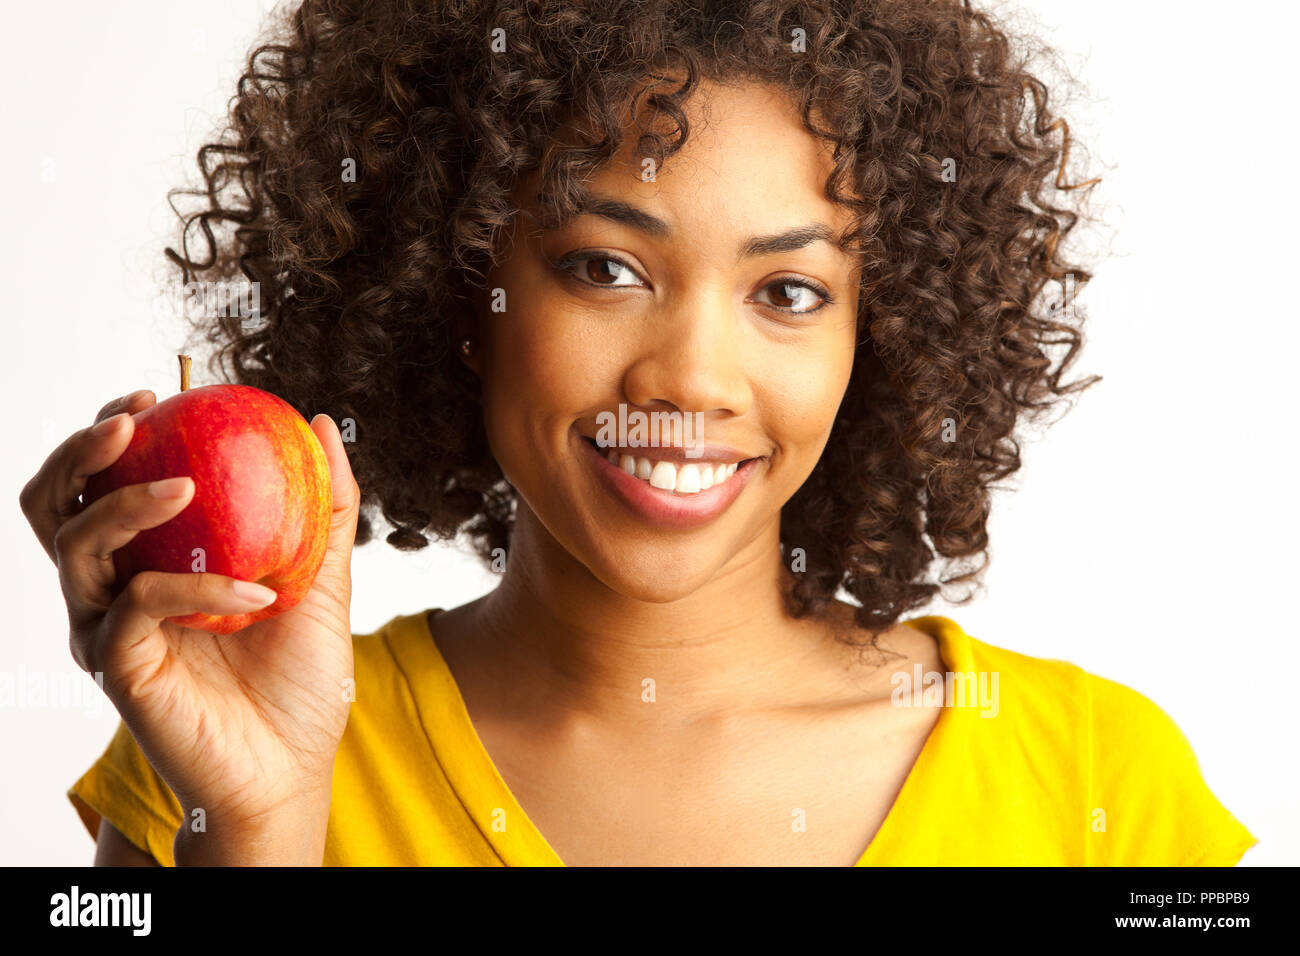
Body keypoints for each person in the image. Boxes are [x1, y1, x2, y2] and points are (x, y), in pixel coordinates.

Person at [23, 0, 1255, 865]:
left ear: (873, 342)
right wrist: (256, 823)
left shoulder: (1104, 784)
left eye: (787, 292)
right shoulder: (226, 767)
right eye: (606, 266)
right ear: (457, 289)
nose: (692, 374)